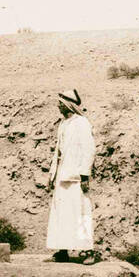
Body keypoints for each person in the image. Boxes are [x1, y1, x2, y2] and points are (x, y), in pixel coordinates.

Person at [46, 87, 96, 262]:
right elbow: (58, 153)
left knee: (81, 212)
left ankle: (88, 251)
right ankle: (63, 250)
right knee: (62, 213)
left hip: (76, 177)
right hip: (62, 176)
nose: (58, 106)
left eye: (61, 103)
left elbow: (89, 150)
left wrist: (84, 175)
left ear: (68, 104)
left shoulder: (82, 123)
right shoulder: (63, 124)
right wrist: (52, 174)